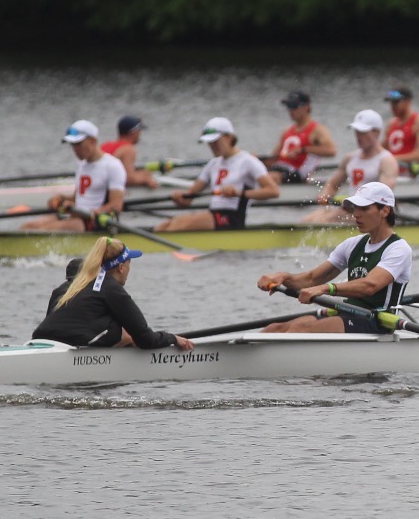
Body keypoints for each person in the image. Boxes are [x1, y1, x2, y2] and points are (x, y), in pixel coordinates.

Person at [257, 183, 412, 333]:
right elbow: (312, 279)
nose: (356, 214)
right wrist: (283, 277)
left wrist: (326, 288)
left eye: (364, 208)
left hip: (377, 321)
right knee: (274, 328)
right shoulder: (353, 244)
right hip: (349, 314)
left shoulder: (398, 248)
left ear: (384, 211)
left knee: (301, 329)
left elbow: (370, 286)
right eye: (355, 208)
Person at [33, 238, 190, 350]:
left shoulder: (66, 287)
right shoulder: (111, 288)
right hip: (71, 351)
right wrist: (172, 338)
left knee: (123, 332)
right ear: (121, 267)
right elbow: (146, 339)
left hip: (40, 344)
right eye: (129, 264)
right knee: (129, 336)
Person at [157, 117, 282, 231]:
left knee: (180, 224)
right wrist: (179, 197)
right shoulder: (212, 164)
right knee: (164, 226)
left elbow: (273, 191)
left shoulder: (248, 161)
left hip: (232, 219)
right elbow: (188, 200)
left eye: (215, 141)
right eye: (209, 143)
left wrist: (239, 193)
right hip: (215, 216)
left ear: (229, 138)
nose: (212, 146)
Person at [21, 121, 128, 232]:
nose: (75, 150)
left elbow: (116, 206)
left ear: (92, 141)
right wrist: (61, 198)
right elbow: (79, 198)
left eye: (78, 144)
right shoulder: (82, 165)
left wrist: (90, 211)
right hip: (76, 216)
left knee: (43, 230)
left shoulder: (113, 166)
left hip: (94, 222)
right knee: (27, 227)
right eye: (72, 145)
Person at [305, 109, 401, 225]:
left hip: (372, 214)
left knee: (319, 222)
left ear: (377, 132)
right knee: (307, 220)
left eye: (363, 132)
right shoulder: (349, 158)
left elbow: (382, 197)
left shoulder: (387, 161)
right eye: (356, 132)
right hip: (351, 210)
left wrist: (352, 205)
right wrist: (325, 195)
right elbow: (333, 184)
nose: (359, 137)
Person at [269, 91, 337, 184]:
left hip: (298, 174)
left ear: (306, 107)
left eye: (294, 106)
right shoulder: (286, 131)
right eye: (288, 106)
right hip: (279, 170)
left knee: (271, 177)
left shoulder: (317, 130)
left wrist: (302, 150)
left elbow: (331, 151)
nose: (290, 110)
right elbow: (273, 158)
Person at [100, 115, 160, 189]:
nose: (140, 134)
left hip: (98, 185)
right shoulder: (128, 149)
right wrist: (146, 178)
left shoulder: (105, 145)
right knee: (146, 174)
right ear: (133, 132)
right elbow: (128, 179)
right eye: (139, 131)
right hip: (107, 191)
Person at [383, 87, 419, 168]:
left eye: (396, 102)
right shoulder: (391, 123)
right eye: (391, 103)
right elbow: (382, 149)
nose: (393, 106)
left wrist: (393, 159)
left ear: (408, 101)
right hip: (393, 169)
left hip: (411, 171)